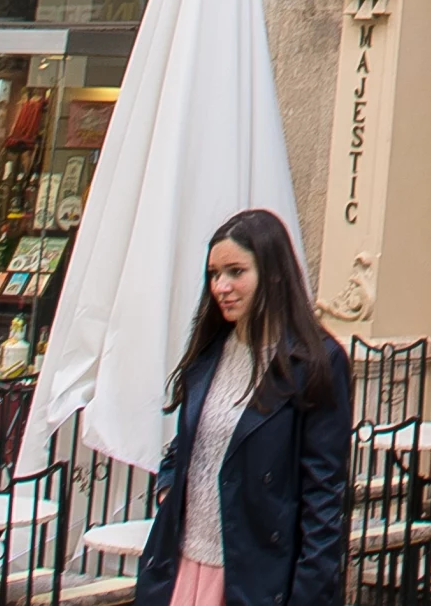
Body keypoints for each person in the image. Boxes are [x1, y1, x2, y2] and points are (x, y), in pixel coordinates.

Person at [136, 209, 352, 606]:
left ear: (272, 273)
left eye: (236, 271)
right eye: (214, 274)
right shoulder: (209, 353)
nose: (222, 286)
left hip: (256, 579)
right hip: (181, 568)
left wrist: (307, 595)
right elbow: (188, 445)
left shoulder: (316, 362)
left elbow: (324, 495)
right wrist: (169, 487)